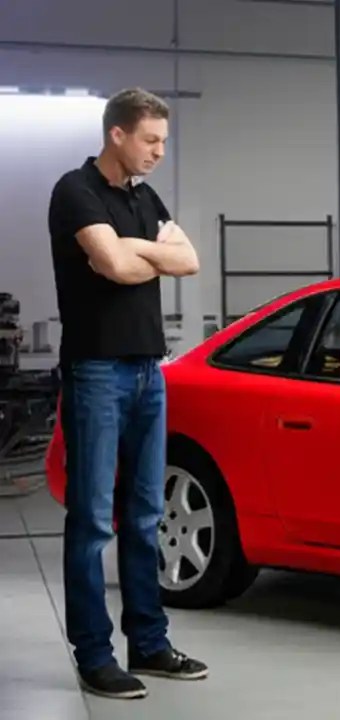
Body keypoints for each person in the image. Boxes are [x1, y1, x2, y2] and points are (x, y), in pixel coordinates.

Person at [47, 87, 205, 700]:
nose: (159, 152)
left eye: (163, 141)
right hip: (96, 373)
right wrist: (147, 253)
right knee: (91, 520)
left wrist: (136, 248)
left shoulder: (145, 197)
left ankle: (151, 643)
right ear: (117, 134)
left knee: (144, 515)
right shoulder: (75, 191)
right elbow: (111, 268)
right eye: (151, 140)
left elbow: (187, 260)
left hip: (148, 371)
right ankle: (94, 653)